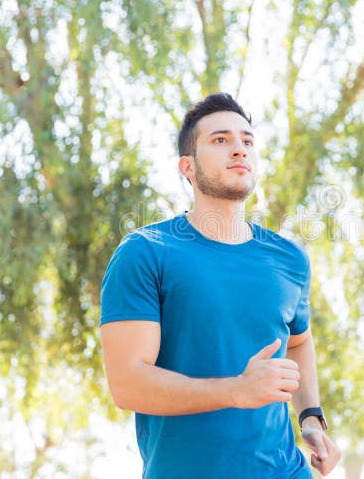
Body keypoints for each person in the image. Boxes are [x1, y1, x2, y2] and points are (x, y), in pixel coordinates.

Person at [99, 92, 341, 478]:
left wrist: (311, 418)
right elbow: (128, 384)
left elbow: (298, 341)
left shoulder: (289, 259)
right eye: (220, 139)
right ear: (188, 166)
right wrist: (236, 390)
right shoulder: (145, 252)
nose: (239, 149)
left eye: (247, 141)